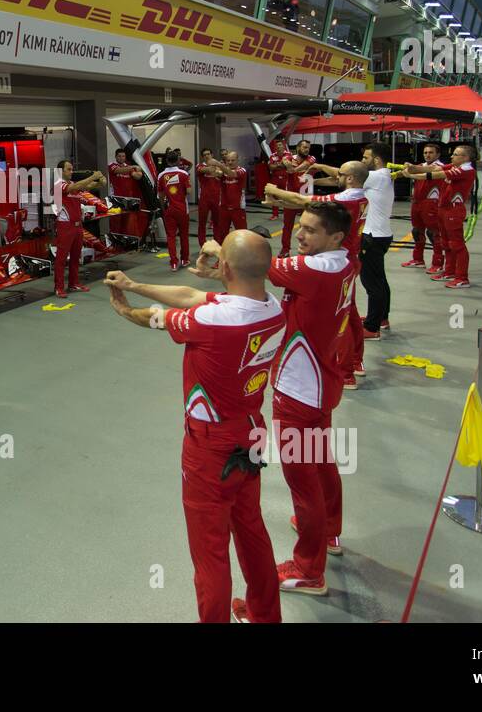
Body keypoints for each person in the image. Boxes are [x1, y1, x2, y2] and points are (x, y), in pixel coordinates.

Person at [105, 231, 285, 624]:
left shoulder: (216, 321)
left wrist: (124, 309)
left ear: (224, 267)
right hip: (251, 431)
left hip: (211, 446)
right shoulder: (273, 307)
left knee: (210, 552)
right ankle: (265, 614)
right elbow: (192, 295)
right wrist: (134, 285)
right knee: (251, 529)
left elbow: (156, 318)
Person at [205, 201, 354, 596]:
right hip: (322, 382)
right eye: (300, 227)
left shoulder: (312, 271)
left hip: (299, 391)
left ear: (336, 238)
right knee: (320, 461)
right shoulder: (344, 262)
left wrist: (215, 246)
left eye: (311, 231)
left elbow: (251, 263)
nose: (300, 236)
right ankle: (330, 531)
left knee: (303, 482)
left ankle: (309, 570)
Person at [264, 162, 368, 388]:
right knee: (348, 314)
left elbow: (304, 201)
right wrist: (281, 201)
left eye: (340, 174)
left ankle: (347, 371)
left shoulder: (346, 199)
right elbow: (311, 197)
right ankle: (355, 362)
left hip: (336, 263)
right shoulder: (360, 198)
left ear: (350, 178)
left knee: (341, 319)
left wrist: (274, 189)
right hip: (349, 259)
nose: (336, 176)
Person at [403, 144, 477, 289]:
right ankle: (449, 271)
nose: (452, 156)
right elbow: (433, 169)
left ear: (465, 157)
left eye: (455, 154)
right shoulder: (455, 166)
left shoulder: (466, 169)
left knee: (457, 244)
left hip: (453, 210)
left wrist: (412, 175)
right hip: (443, 208)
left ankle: (462, 277)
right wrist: (414, 167)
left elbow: (437, 174)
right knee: (446, 242)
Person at [52, 160, 105, 297]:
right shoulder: (59, 185)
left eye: (71, 169)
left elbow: (87, 186)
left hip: (77, 225)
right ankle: (59, 287)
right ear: (61, 172)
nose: (71, 172)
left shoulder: (72, 185)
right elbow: (77, 186)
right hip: (65, 226)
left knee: (76, 256)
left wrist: (100, 182)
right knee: (61, 258)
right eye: (68, 169)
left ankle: (74, 283)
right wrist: (93, 177)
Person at [359, 143, 395, 340]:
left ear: (377, 160)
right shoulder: (384, 176)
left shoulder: (377, 176)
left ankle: (372, 328)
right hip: (380, 235)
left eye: (366, 158)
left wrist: (318, 167)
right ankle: (381, 318)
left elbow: (346, 173)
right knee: (380, 280)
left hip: (373, 237)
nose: (363, 162)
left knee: (372, 283)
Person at [403, 142, 446, 273]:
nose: (427, 155)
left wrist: (412, 170)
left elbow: (423, 171)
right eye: (425, 152)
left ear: (438, 154)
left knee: (434, 233)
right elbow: (413, 170)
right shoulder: (420, 166)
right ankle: (418, 260)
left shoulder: (440, 167)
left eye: (431, 152)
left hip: (432, 204)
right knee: (417, 231)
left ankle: (438, 263)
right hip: (417, 203)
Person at [278, 140, 317, 258]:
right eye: (304, 147)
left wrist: (293, 169)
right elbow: (284, 160)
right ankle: (285, 249)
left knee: (308, 226)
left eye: (308, 148)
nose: (306, 150)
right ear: (298, 147)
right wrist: (287, 164)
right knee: (287, 225)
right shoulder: (290, 157)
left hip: (306, 199)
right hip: (291, 198)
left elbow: (305, 166)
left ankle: (306, 249)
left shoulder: (312, 159)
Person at [157, 151, 192, 271]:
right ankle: (184, 259)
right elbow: (189, 192)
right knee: (184, 235)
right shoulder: (183, 173)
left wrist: (163, 208)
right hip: (182, 209)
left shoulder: (161, 175)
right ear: (178, 160)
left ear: (166, 161)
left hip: (169, 210)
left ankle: (173, 263)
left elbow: (160, 195)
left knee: (171, 236)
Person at [107, 149, 143, 236]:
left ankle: (123, 242)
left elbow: (137, 176)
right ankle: (114, 242)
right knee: (115, 221)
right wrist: (134, 167)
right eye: (119, 156)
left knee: (125, 221)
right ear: (116, 157)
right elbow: (118, 171)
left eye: (123, 156)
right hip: (115, 199)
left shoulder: (128, 167)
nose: (121, 158)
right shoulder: (112, 165)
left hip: (127, 199)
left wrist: (140, 170)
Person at [195, 148, 224, 247]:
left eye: (208, 154)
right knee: (202, 222)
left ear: (212, 154)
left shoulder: (219, 166)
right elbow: (204, 170)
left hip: (216, 198)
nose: (207, 156)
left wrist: (218, 168)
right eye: (205, 155)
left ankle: (218, 242)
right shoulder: (200, 166)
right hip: (204, 198)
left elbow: (221, 174)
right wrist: (215, 168)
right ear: (202, 157)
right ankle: (202, 244)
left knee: (217, 222)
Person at [219, 151, 248, 237]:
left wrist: (219, 165)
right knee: (222, 234)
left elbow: (232, 174)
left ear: (237, 160)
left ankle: (243, 251)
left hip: (238, 208)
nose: (230, 162)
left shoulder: (242, 170)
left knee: (242, 234)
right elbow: (214, 173)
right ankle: (222, 250)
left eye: (233, 160)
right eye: (228, 160)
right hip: (224, 207)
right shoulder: (222, 172)